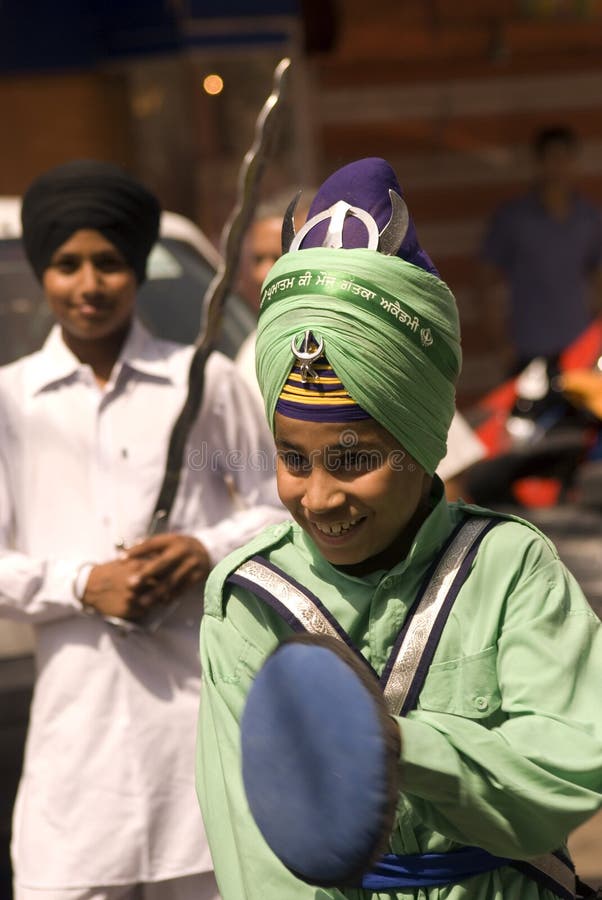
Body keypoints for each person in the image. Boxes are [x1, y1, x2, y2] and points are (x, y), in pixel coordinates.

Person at [196, 157, 602, 899]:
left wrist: (400, 750)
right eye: (293, 458)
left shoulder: (509, 566)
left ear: (420, 446)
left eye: (352, 460)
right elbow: (256, 855)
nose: (317, 497)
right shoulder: (248, 599)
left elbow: (569, 767)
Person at [0, 160, 285, 900]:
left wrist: (205, 548)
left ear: (135, 270)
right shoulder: (13, 403)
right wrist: (82, 583)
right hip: (77, 763)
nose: (88, 285)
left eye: (109, 263)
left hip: (202, 745)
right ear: (43, 272)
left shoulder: (207, 379)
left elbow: (279, 507)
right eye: (67, 265)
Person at [237, 190, 486, 502]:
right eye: (256, 259)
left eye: (277, 257)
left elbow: (446, 472)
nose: (264, 273)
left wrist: (445, 549)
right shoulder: (248, 358)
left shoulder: (381, 341)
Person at [479, 126, 602, 374]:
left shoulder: (590, 219)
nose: (558, 167)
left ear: (574, 163)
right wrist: (501, 345)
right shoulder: (513, 218)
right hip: (527, 349)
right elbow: (485, 282)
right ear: (538, 162)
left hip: (579, 351)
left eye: (564, 158)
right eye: (551, 158)